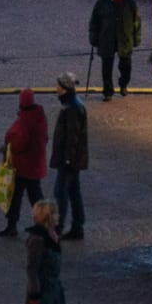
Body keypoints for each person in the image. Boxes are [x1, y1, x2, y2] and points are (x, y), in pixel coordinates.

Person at [0, 88, 49, 237]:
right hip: (35, 163)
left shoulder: (26, 119)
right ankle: (43, 224)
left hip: (23, 165)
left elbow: (21, 142)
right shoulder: (39, 116)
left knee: (16, 196)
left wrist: (8, 148)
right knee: (35, 196)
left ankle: (12, 225)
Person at [87, 0, 140, 101]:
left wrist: (136, 39)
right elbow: (94, 22)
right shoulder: (102, 4)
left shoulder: (130, 3)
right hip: (106, 39)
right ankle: (108, 91)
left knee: (126, 66)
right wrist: (93, 38)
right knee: (107, 67)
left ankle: (123, 84)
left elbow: (136, 22)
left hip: (125, 39)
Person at [50, 73, 89, 241]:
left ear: (64, 88)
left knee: (61, 192)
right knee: (73, 192)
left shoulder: (72, 107)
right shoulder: (72, 104)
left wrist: (67, 159)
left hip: (69, 160)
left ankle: (59, 227)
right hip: (74, 159)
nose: (56, 87)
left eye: (58, 85)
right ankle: (77, 225)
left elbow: (72, 137)